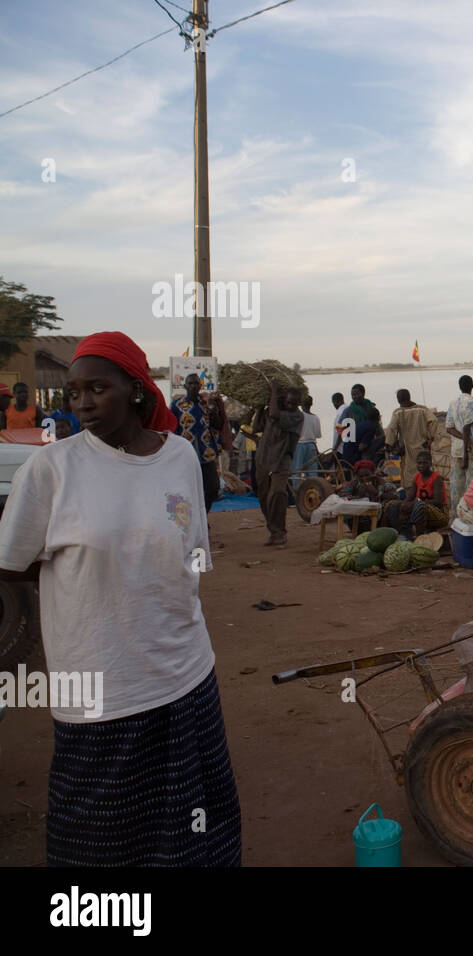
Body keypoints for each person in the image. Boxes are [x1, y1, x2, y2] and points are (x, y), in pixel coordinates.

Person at [0, 330, 240, 866]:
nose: (82, 403)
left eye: (97, 389)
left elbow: (191, 553)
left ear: (135, 389)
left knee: (194, 833)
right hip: (100, 688)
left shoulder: (179, 457)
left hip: (185, 675)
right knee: (97, 844)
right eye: (73, 392)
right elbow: (10, 564)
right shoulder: (52, 470)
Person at [254, 382, 303, 547]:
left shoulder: (297, 416)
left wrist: (274, 391)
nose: (290, 406)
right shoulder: (273, 409)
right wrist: (261, 407)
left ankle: (280, 532)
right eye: (287, 402)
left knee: (277, 492)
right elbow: (256, 427)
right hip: (263, 457)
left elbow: (275, 416)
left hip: (282, 459)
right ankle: (273, 530)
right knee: (263, 494)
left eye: (293, 403)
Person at [171, 373, 222, 515]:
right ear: (185, 386)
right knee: (188, 490)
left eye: (196, 383)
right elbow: (173, 430)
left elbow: (217, 425)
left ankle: (202, 516)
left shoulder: (207, 404)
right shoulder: (176, 405)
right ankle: (195, 520)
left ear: (200, 386)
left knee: (213, 488)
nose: (193, 386)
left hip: (206, 454)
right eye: (190, 383)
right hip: (185, 456)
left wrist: (213, 411)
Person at [384, 449, 449, 538]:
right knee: (392, 505)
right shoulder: (417, 477)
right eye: (419, 463)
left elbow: (438, 502)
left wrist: (415, 504)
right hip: (419, 509)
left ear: (430, 463)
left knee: (419, 506)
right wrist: (404, 505)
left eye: (424, 463)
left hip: (439, 514)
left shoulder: (436, 478)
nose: (421, 465)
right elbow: (410, 497)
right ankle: (400, 533)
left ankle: (419, 537)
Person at [447, 374, 473, 514]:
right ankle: (471, 514)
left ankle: (455, 515)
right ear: (472, 386)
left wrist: (462, 440)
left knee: (456, 486)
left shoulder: (453, 402)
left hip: (456, 450)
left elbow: (449, 428)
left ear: (459, 386)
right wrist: (466, 451)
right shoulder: (472, 402)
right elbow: (467, 427)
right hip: (471, 451)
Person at [385, 388, 436, 486]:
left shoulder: (398, 412)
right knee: (423, 468)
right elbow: (433, 421)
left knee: (409, 473)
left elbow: (391, 429)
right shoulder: (422, 409)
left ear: (398, 400)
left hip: (407, 450)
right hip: (422, 446)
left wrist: (389, 444)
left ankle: (411, 492)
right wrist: (430, 438)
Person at [293, 394, 322, 475]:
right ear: (311, 404)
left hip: (299, 445)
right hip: (312, 446)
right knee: (312, 470)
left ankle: (297, 487)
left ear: (301, 404)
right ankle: (312, 486)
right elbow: (317, 435)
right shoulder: (316, 418)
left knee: (296, 469)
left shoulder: (299, 416)